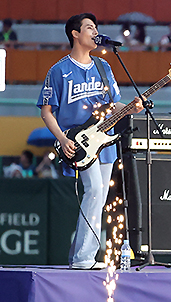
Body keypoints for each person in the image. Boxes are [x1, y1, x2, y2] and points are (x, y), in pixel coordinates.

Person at [37, 13, 143, 269]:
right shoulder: (58, 70)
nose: (95, 32)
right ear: (75, 34)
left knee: (99, 195)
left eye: (96, 28)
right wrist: (62, 138)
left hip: (104, 140)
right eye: (89, 28)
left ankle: (79, 254)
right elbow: (46, 111)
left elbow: (114, 104)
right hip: (78, 142)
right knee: (94, 190)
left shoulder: (103, 67)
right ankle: (84, 257)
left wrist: (131, 108)